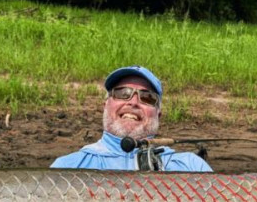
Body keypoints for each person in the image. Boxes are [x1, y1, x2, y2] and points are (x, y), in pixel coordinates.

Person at [51, 66, 212, 172]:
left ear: (158, 115)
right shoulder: (66, 167)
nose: (133, 102)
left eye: (147, 97)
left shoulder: (192, 167)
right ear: (105, 106)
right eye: (122, 93)